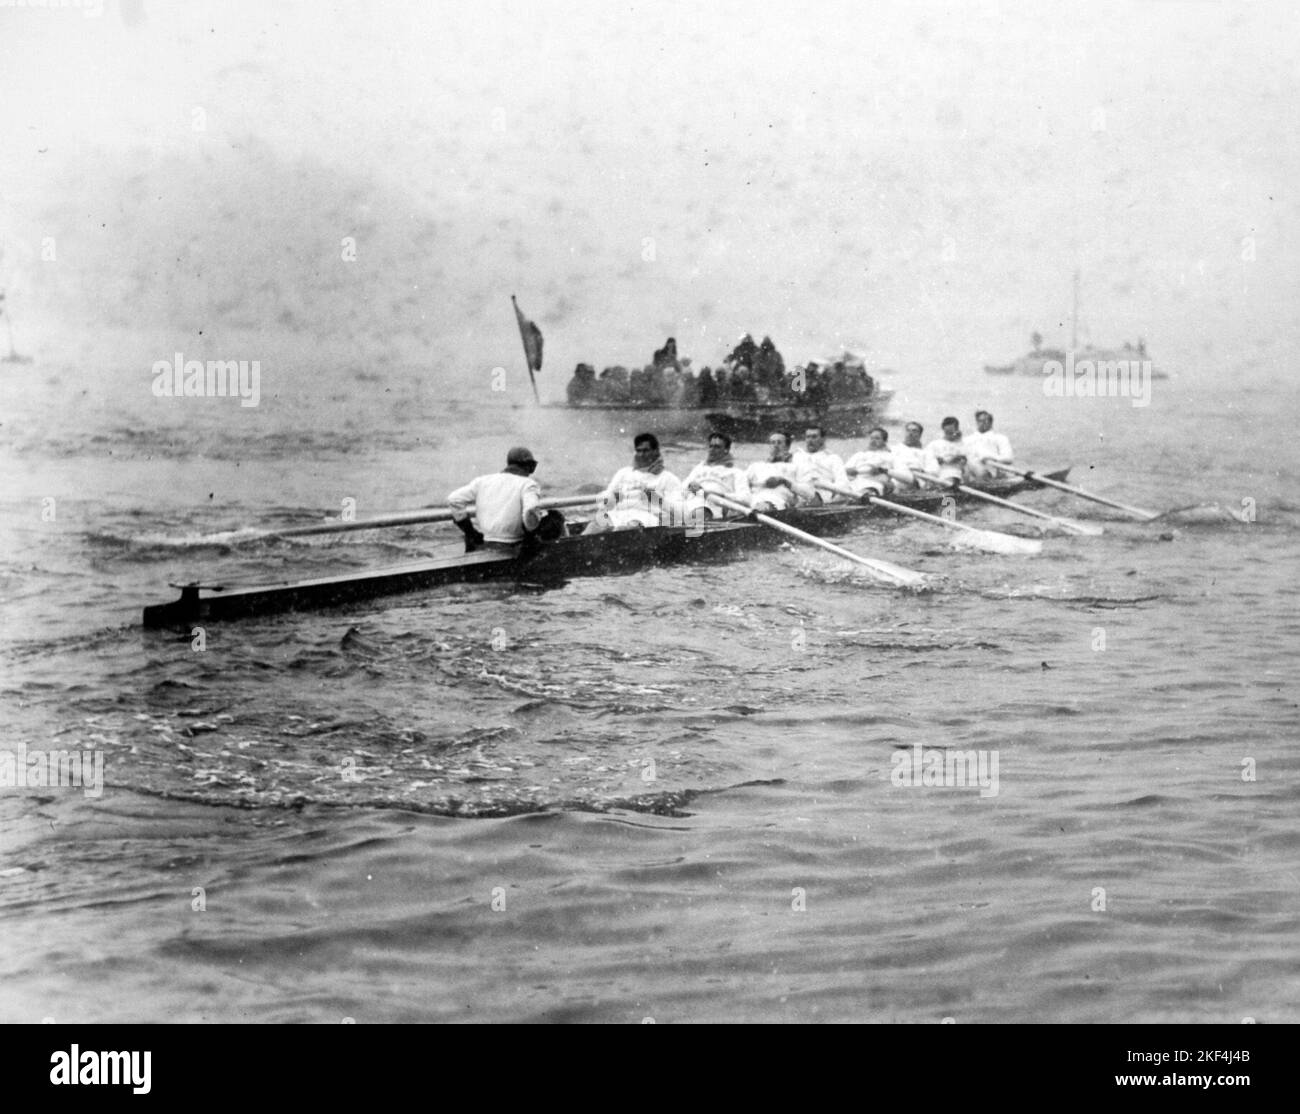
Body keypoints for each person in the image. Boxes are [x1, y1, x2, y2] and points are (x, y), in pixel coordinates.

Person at [583, 432, 683, 533]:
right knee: (594, 527)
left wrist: (658, 500)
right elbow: (604, 500)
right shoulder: (623, 473)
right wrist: (611, 499)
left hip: (646, 518)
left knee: (623, 531)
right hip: (618, 514)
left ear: (655, 451)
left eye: (646, 451)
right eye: (639, 451)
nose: (642, 455)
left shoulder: (668, 478)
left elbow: (679, 511)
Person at [448, 447, 544, 552]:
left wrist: (470, 532)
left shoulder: (483, 481)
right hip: (514, 546)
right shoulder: (528, 484)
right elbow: (530, 511)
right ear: (528, 466)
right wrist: (532, 533)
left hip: (485, 543)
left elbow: (454, 499)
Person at [682, 431, 752, 520]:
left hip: (715, 506)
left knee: (700, 508)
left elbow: (746, 499)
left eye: (717, 447)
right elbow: (681, 489)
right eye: (710, 446)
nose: (712, 450)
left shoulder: (736, 472)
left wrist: (721, 495)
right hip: (691, 503)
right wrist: (690, 487)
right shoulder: (699, 468)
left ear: (726, 450)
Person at [746, 432, 813, 512]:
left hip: (781, 503)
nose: (775, 445)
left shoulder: (796, 466)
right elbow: (742, 487)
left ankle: (763, 509)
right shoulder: (756, 466)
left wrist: (785, 482)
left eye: (779, 442)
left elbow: (810, 494)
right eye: (772, 443)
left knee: (770, 502)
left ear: (787, 447)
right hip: (755, 500)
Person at [793, 425, 850, 502]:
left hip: (824, 496)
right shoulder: (796, 457)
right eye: (808, 437)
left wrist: (834, 496)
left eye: (814, 437)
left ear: (823, 439)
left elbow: (843, 482)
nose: (810, 440)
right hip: (801, 495)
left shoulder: (833, 458)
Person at [844, 426, 895, 497]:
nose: (873, 441)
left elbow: (895, 476)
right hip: (855, 482)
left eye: (877, 438)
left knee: (866, 491)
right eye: (871, 438)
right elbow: (844, 470)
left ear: (885, 441)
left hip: (874, 484)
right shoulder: (859, 454)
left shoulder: (890, 456)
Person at [964, 409, 1014, 480]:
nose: (983, 423)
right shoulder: (967, 440)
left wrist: (993, 459)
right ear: (977, 422)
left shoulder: (1001, 438)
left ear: (991, 423)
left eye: (985, 421)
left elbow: (1009, 458)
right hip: (973, 472)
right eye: (980, 421)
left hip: (994, 471)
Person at [923, 417, 968, 484]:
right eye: (947, 432)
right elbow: (928, 461)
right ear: (943, 429)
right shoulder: (934, 444)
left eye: (952, 432)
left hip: (955, 472)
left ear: (957, 430)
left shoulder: (962, 444)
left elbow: (964, 461)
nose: (950, 435)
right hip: (938, 471)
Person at [890, 421, 927, 487]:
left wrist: (922, 471)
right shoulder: (893, 449)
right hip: (895, 479)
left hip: (916, 481)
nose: (910, 433)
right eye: (908, 430)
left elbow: (933, 471)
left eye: (914, 431)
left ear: (920, 435)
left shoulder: (926, 452)